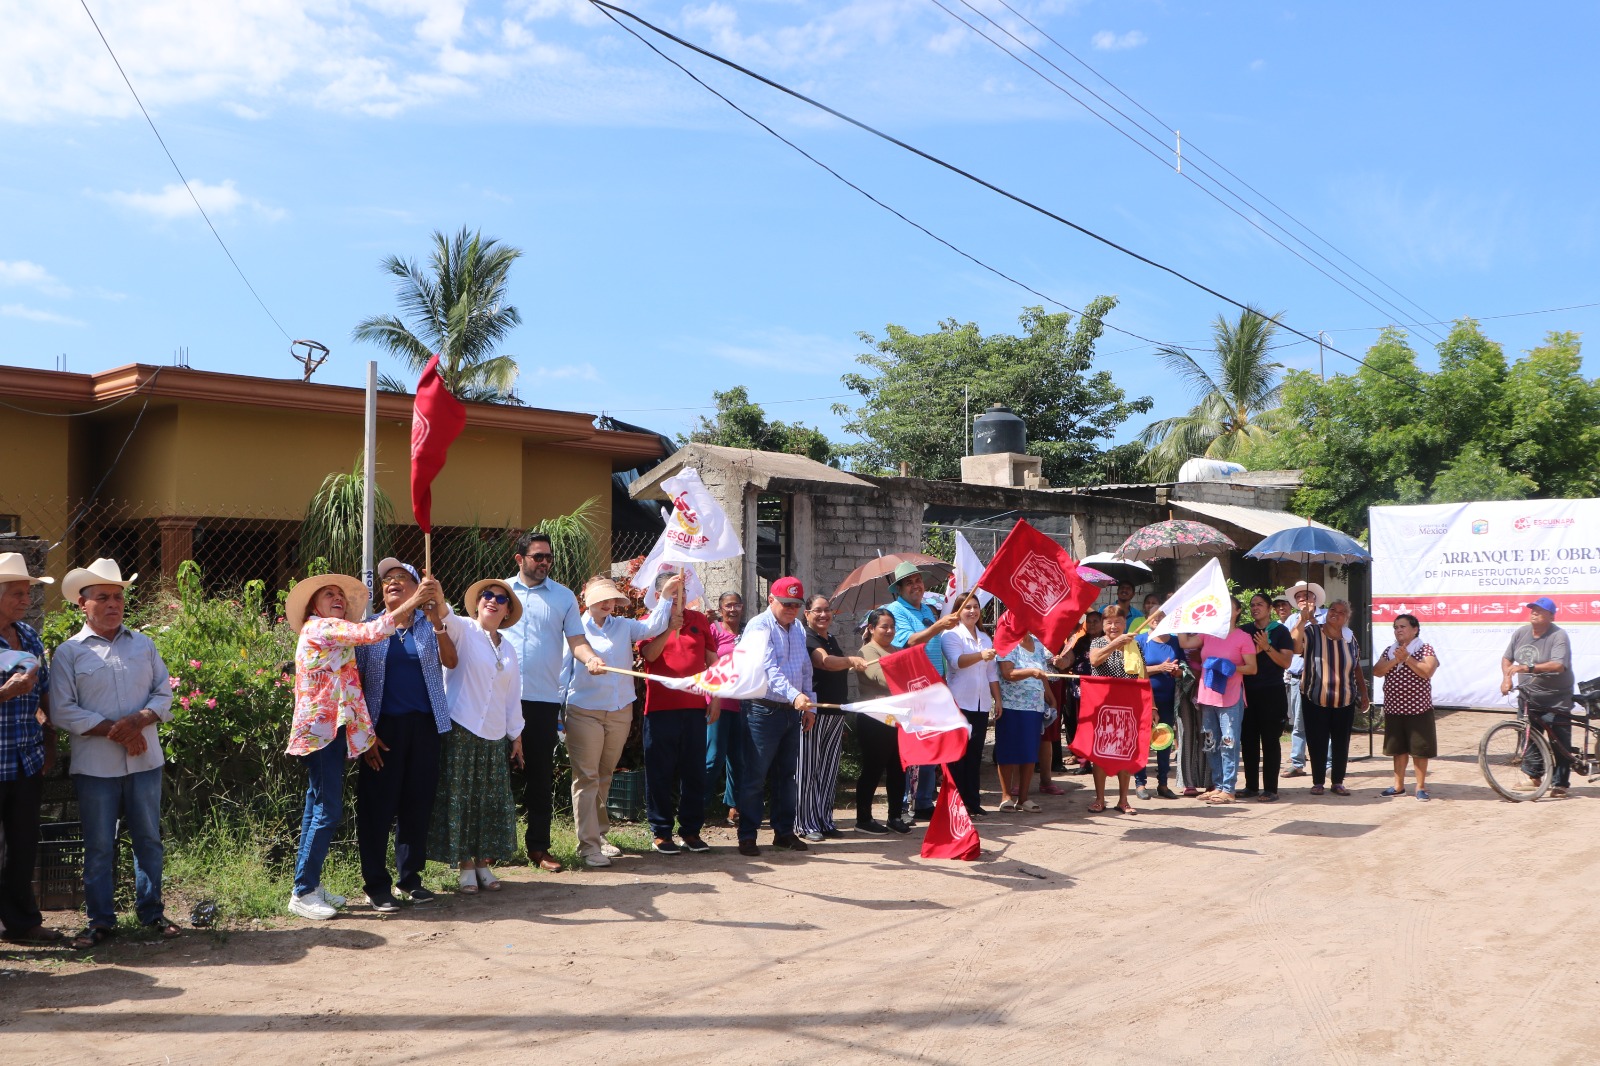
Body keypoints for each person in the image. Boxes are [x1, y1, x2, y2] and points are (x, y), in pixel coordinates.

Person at [285, 567, 439, 920]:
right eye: (329, 595)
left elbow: (352, 693)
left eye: (341, 595)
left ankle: (309, 884)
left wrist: (364, 737)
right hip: (322, 731)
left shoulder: (336, 635)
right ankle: (303, 891)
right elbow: (373, 631)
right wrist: (416, 600)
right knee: (326, 811)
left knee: (317, 808)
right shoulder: (321, 627)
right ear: (314, 606)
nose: (338, 599)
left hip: (331, 730)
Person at [50, 559, 178, 946]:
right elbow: (62, 710)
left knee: (148, 839)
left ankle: (152, 913)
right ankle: (100, 921)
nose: (112, 604)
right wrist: (118, 732)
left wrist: (139, 720)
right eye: (102, 597)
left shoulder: (144, 643)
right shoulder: (69, 653)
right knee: (100, 845)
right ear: (81, 605)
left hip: (145, 760)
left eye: (118, 597)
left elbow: (164, 693)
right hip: (96, 766)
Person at [353, 558, 456, 913]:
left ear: (417, 587)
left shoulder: (429, 625)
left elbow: (451, 661)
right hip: (383, 729)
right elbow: (358, 686)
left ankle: (410, 878)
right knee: (377, 808)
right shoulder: (370, 629)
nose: (393, 582)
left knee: (417, 804)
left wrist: (437, 618)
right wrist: (366, 736)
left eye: (402, 578)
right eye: (387, 580)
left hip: (425, 726)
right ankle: (376, 885)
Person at [503, 531, 608, 874]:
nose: (545, 562)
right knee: (496, 778)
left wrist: (590, 657)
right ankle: (492, 848)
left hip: (543, 702)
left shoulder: (563, 597)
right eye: (538, 557)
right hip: (499, 700)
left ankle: (538, 847)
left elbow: (576, 640)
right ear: (520, 559)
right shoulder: (499, 592)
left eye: (548, 557)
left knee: (540, 777)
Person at [560, 575, 677, 868]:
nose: (609, 604)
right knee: (586, 777)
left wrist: (667, 597)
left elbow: (653, 627)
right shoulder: (574, 629)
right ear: (589, 601)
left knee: (604, 774)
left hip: (620, 710)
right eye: (602, 599)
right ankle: (587, 846)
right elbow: (563, 673)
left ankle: (598, 836)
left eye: (612, 599)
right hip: (583, 709)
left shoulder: (624, 626)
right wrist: (557, 715)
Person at [429, 579, 525, 892]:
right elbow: (445, 616)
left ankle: (483, 862)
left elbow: (512, 695)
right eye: (487, 595)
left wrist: (516, 735)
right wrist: (438, 595)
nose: (492, 601)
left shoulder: (509, 648)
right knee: (461, 800)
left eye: (500, 598)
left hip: (494, 734)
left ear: (507, 610)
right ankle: (465, 864)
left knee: (487, 801)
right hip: (462, 728)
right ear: (479, 602)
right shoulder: (465, 630)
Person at [0, 553, 61, 945]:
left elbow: (46, 694)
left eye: (28, 593)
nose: (25, 600)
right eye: (17, 593)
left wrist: (51, 741)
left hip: (25, 759)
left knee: (22, 846)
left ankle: (22, 924)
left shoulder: (30, 636)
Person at [736, 577, 818, 855]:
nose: (791, 609)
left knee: (787, 775)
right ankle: (747, 835)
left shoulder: (798, 629)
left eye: (796, 604)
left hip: (790, 711)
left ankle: (783, 832)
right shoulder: (759, 627)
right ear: (771, 600)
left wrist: (809, 705)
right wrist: (797, 696)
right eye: (786, 604)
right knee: (755, 775)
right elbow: (767, 668)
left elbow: (805, 668)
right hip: (762, 709)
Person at [640, 570, 716, 854]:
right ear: (660, 596)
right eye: (674, 596)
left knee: (695, 771)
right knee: (660, 772)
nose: (680, 601)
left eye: (683, 595)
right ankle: (661, 832)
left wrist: (716, 698)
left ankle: (691, 830)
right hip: (660, 710)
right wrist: (670, 627)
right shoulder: (650, 623)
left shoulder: (699, 621)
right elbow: (649, 656)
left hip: (696, 709)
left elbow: (712, 661)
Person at [881, 562, 962, 820]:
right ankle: (903, 803)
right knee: (913, 745)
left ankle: (924, 802)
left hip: (933, 685)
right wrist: (939, 626)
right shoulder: (893, 612)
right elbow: (908, 641)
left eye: (918, 580)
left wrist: (943, 681)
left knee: (931, 743)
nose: (916, 585)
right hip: (912, 687)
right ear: (900, 589)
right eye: (909, 582)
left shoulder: (927, 609)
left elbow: (936, 649)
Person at [798, 596, 865, 842]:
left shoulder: (831, 639)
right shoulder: (807, 638)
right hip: (814, 712)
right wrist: (851, 660)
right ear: (807, 614)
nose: (824, 615)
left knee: (828, 770)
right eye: (818, 611)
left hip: (836, 712)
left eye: (827, 610)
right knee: (808, 770)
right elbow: (823, 662)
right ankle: (805, 823)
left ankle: (824, 820)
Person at [1179, 598, 1258, 804]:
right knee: (1211, 742)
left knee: (1229, 742)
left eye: (1229, 607)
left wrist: (1232, 668)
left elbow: (1252, 668)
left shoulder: (1243, 637)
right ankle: (1218, 786)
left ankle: (1229, 789)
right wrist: (1180, 621)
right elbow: (1185, 643)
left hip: (1231, 697)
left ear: (1238, 611)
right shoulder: (1209, 633)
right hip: (1208, 696)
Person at [1291, 597, 1367, 797]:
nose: (1335, 613)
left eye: (1341, 611)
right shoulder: (1312, 632)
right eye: (1333, 609)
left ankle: (1338, 782)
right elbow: (1295, 647)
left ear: (1346, 618)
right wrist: (1301, 620)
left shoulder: (1350, 637)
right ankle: (1317, 782)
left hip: (1345, 698)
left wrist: (1364, 693)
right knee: (1317, 741)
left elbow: (1357, 666)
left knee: (1341, 742)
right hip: (1315, 697)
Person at [1500, 597, 1575, 796]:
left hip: (1556, 698)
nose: (1534, 612)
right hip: (1528, 696)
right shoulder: (1521, 633)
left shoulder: (1558, 635)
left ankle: (1560, 783)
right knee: (1528, 737)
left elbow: (1558, 665)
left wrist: (1528, 667)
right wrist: (1507, 678)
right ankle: (1534, 777)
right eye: (1533, 609)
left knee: (1559, 742)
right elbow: (1507, 658)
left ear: (1551, 616)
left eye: (1540, 610)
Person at [939, 594, 1000, 817]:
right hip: (959, 702)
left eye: (976, 607)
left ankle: (973, 802)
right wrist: (980, 655)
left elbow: (992, 672)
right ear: (958, 611)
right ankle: (955, 803)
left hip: (981, 703)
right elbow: (957, 662)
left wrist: (997, 700)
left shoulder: (984, 637)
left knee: (975, 755)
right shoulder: (951, 635)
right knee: (958, 756)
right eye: (967, 608)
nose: (972, 611)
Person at [1085, 604, 1150, 814]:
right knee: (1100, 752)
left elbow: (1144, 675)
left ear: (1125, 624)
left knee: (1125, 753)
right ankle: (1100, 799)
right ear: (1103, 625)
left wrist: (1152, 705)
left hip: (1128, 708)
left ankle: (1123, 800)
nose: (1113, 626)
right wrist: (1115, 644)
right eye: (1109, 622)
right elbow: (1095, 660)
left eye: (1118, 622)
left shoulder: (1135, 645)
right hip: (1102, 707)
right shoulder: (1097, 642)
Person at [855, 608, 910, 835]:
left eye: (891, 626)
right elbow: (881, 678)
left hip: (897, 717)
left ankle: (895, 816)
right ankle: (863, 818)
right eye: (883, 626)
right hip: (874, 718)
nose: (889, 631)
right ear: (871, 628)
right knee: (873, 768)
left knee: (899, 768)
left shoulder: (896, 650)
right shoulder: (867, 651)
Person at [1374, 614, 1440, 800]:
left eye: (1402, 626)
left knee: (1419, 750)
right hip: (1394, 708)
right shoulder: (1390, 650)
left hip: (1418, 709)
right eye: (1396, 627)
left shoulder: (1425, 648)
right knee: (1398, 749)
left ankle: (1420, 787)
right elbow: (1377, 671)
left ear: (1415, 629)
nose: (1398, 630)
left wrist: (1407, 658)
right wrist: (1396, 659)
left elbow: (1427, 671)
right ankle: (1398, 786)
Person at [1283, 582, 1342, 779]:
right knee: (1299, 724)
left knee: (1325, 723)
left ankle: (1328, 764)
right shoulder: (1292, 619)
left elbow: (1332, 638)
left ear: (1315, 599)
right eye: (1299, 597)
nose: (1303, 599)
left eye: (1306, 596)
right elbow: (1290, 644)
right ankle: (1297, 763)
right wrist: (1302, 620)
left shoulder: (1326, 616)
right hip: (1297, 678)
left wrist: (1312, 622)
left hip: (1321, 678)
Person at [1239, 593, 1294, 802]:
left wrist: (1267, 647)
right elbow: (1239, 657)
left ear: (1269, 608)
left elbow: (1286, 662)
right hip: (1247, 692)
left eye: (1260, 604)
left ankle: (1271, 788)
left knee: (1270, 741)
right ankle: (1251, 786)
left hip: (1272, 691)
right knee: (1249, 741)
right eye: (1252, 605)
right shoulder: (1245, 630)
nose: (1255, 608)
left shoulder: (1280, 631)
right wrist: (1255, 648)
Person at [996, 620, 1054, 813]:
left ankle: (1024, 797)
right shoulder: (1007, 643)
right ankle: (1006, 797)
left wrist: (1050, 696)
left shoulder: (1037, 643)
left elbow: (1042, 674)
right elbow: (1007, 673)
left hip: (1034, 707)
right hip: (1011, 706)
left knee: (1029, 752)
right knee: (1008, 751)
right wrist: (1031, 672)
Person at [1134, 613, 1185, 800]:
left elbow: (1184, 668)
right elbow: (1134, 669)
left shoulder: (1175, 642)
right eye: (1153, 616)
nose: (1157, 620)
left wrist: (1176, 671)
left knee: (1165, 740)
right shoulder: (1140, 640)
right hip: (1143, 698)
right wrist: (1160, 668)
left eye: (1162, 617)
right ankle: (1140, 784)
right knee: (1142, 740)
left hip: (1168, 698)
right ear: (1148, 619)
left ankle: (1163, 784)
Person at [707, 591, 746, 825]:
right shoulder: (714, 631)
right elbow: (706, 662)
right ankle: (696, 805)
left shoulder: (747, 633)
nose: (733, 609)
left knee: (739, 759)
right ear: (721, 609)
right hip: (718, 702)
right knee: (713, 758)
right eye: (728, 605)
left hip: (743, 704)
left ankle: (734, 806)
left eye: (737, 605)